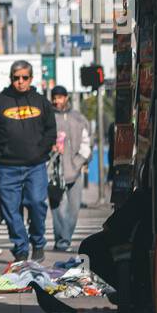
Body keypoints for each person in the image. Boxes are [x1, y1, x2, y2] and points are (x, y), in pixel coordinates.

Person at [0, 60, 57, 261]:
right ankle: (21, 248)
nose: (20, 82)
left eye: (24, 78)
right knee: (10, 210)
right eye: (16, 78)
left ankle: (38, 243)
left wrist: (41, 151)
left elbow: (51, 131)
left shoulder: (41, 102)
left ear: (31, 79)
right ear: (11, 79)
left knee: (37, 203)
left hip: (36, 166)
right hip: (6, 168)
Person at [50, 85, 92, 252]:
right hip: (53, 170)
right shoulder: (48, 117)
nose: (56, 101)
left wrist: (79, 162)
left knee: (73, 207)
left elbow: (87, 142)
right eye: (54, 97)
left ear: (66, 97)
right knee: (56, 208)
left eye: (60, 97)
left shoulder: (78, 118)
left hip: (74, 169)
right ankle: (61, 240)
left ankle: (65, 238)